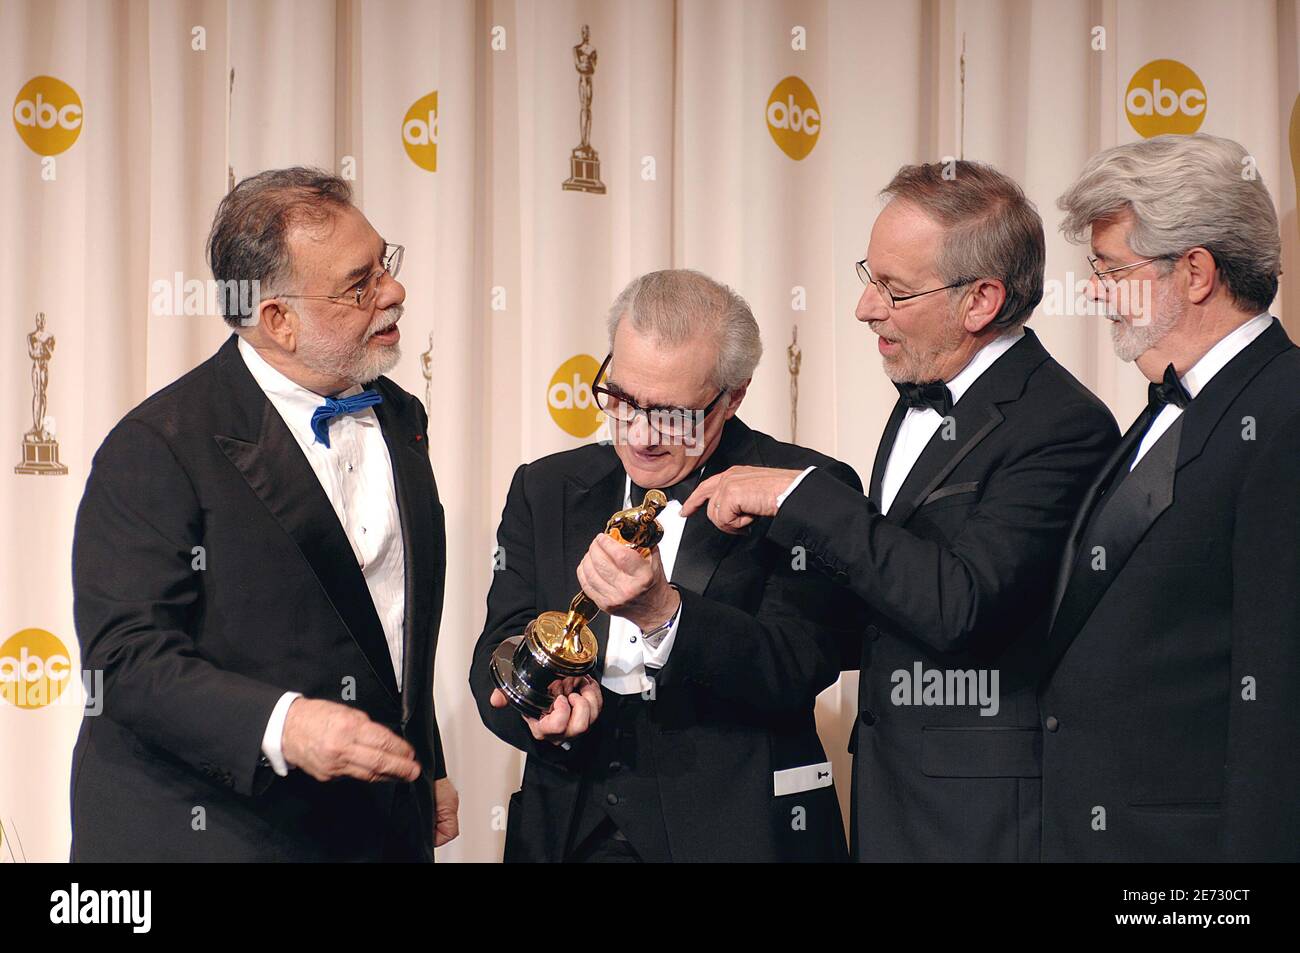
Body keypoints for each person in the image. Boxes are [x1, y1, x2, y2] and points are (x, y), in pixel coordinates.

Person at [683, 161, 1119, 861]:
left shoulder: (1062, 424)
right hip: (894, 792)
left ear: (980, 301)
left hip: (981, 817)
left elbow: (958, 603)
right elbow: (888, 588)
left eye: (895, 288)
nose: (864, 307)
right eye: (869, 275)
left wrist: (797, 494)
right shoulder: (925, 382)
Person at [70, 167, 457, 861]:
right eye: (360, 283)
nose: (394, 291)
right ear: (277, 319)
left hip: (373, 828)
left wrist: (429, 761)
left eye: (385, 263)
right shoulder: (157, 446)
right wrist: (287, 725)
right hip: (214, 831)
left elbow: (388, 625)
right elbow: (125, 660)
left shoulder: (402, 417)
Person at [470, 269, 862, 862]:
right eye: (622, 400)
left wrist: (663, 612)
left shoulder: (803, 487)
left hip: (738, 836)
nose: (641, 434)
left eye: (673, 414)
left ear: (734, 396)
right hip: (568, 831)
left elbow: (797, 664)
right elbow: (498, 647)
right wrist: (536, 708)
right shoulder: (545, 487)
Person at [1040, 133, 1300, 861]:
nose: (1093, 290)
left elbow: (1279, 697)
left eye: (1110, 269)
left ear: (1194, 272)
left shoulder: (1286, 411)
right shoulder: (1165, 408)